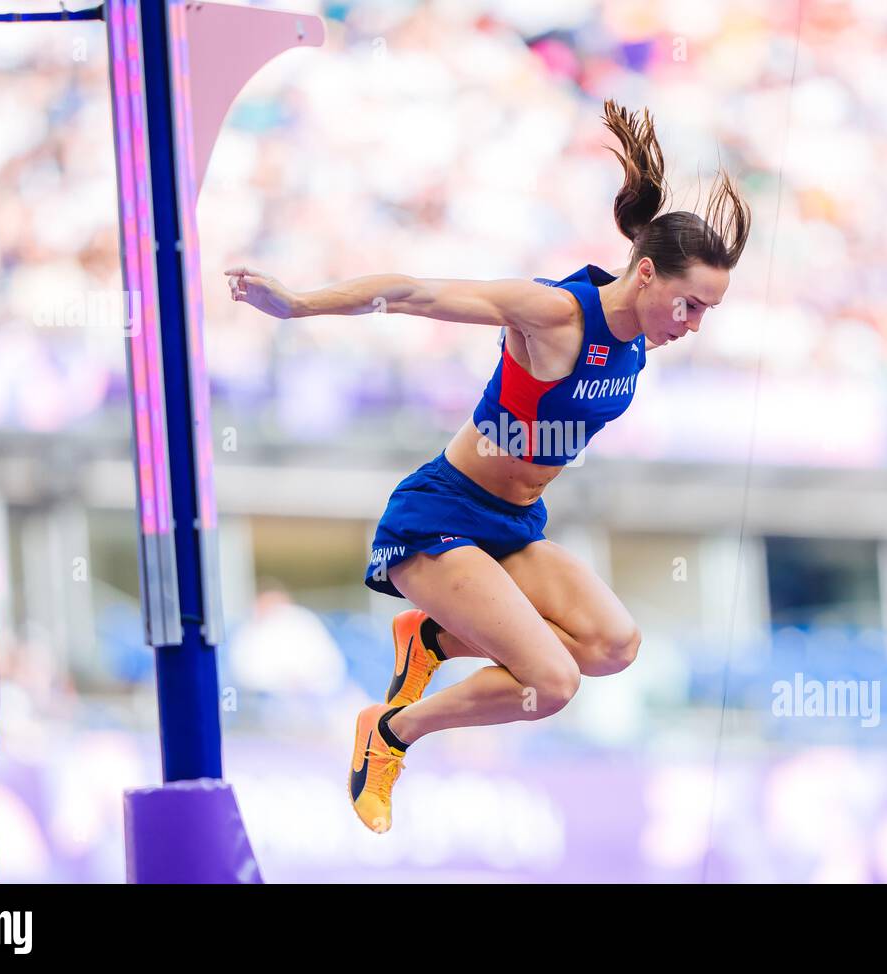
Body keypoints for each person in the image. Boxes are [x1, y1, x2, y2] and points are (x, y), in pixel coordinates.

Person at [225, 100, 750, 833]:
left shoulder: (643, 340)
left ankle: (430, 638)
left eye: (706, 315)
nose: (692, 327)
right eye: (689, 305)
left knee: (615, 646)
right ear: (646, 274)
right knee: (553, 681)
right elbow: (416, 292)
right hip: (441, 518)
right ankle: (389, 733)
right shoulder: (553, 315)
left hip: (514, 525)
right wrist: (301, 304)